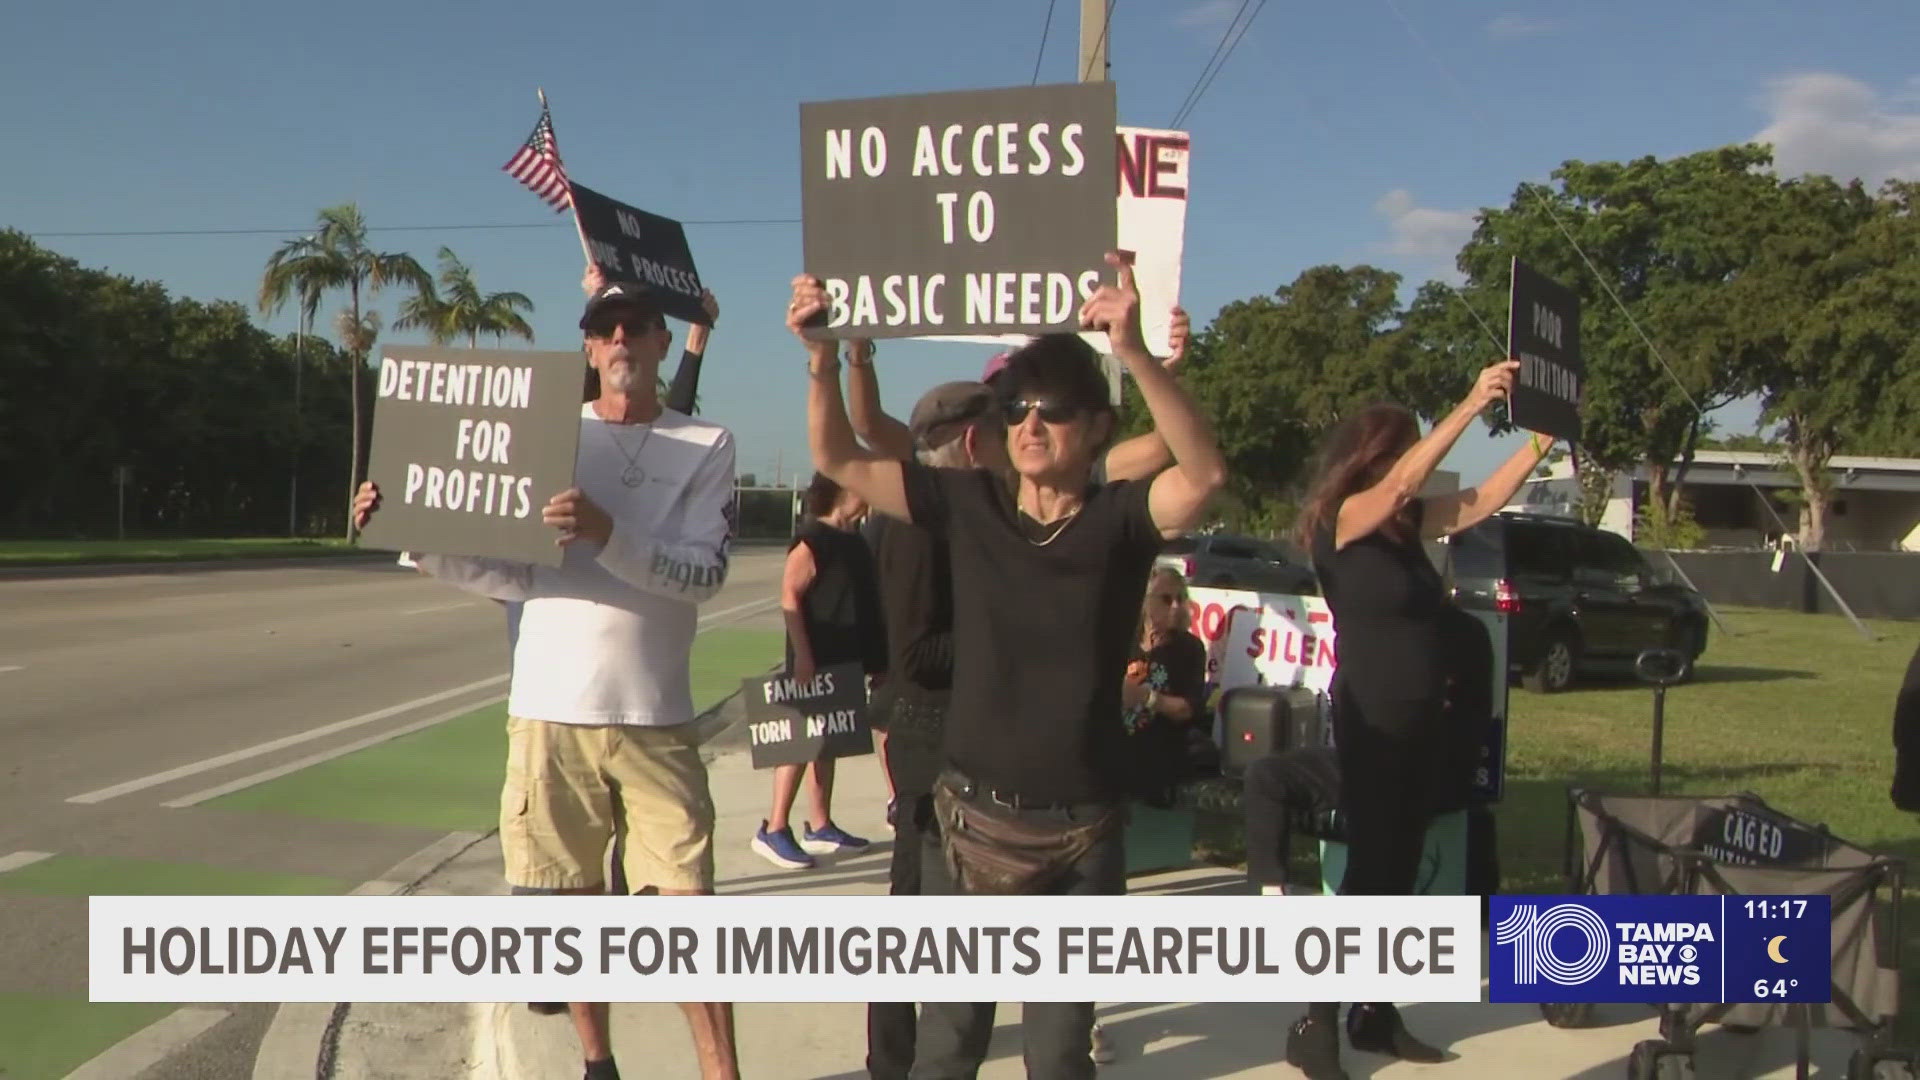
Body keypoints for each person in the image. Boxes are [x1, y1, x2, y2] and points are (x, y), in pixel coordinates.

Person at [790, 249, 1226, 1080]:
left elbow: (1203, 473)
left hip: (1083, 839)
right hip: (968, 829)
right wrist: (821, 358)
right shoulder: (969, 504)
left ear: (1097, 427)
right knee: (950, 1046)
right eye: (1018, 409)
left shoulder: (1121, 521)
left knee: (1060, 1057)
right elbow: (842, 458)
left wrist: (1134, 352)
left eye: (1054, 410)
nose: (1030, 425)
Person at [354, 277, 741, 1080]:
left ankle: (719, 1071)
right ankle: (598, 1062)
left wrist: (609, 534)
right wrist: (412, 532)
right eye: (607, 331)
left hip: (656, 716)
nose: (623, 342)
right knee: (568, 908)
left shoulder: (706, 442)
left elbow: (702, 576)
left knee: (686, 910)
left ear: (665, 342)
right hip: (548, 712)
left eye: (638, 328)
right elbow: (507, 574)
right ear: (590, 349)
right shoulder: (547, 436)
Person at [1280, 360, 1550, 1080]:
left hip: (1424, 718)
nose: (1412, 469)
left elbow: (1483, 502)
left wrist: (1537, 446)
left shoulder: (1404, 525)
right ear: (1374, 456)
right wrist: (1469, 405)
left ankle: (1375, 1012)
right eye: (1403, 451)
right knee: (1370, 872)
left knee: (1399, 873)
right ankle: (1315, 1023)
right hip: (1374, 719)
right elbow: (1402, 483)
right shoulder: (1345, 521)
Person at [856, 375, 1010, 1080]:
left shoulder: (941, 518)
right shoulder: (921, 526)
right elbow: (918, 654)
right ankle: (894, 1061)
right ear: (973, 443)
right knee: (919, 914)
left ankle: (897, 1055)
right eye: (1004, 437)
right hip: (930, 741)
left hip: (935, 738)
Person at [752, 471, 888, 870]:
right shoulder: (815, 539)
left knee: (828, 743)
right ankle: (774, 828)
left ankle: (820, 823)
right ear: (843, 491)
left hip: (845, 655)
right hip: (814, 657)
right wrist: (804, 656)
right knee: (798, 743)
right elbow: (790, 596)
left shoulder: (856, 539)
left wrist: (876, 660)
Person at [1120, 566, 1210, 808]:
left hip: (1161, 742)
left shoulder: (1188, 648)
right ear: (1144, 600)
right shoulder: (1121, 640)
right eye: (1166, 599)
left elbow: (1186, 709)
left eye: (1180, 599)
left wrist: (1144, 697)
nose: (1175, 607)